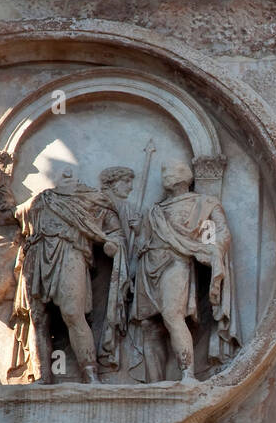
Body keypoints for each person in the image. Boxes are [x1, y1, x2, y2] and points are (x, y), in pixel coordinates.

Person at [14, 166, 124, 383]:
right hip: (37, 256)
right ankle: (44, 376)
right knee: (38, 317)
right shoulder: (39, 201)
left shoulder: (93, 201)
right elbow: (11, 214)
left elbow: (115, 231)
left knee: (73, 313)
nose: (66, 175)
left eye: (70, 173)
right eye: (62, 173)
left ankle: (91, 375)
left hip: (71, 253)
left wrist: (114, 243)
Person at [135, 159, 238, 382]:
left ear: (184, 177)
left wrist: (211, 250)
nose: (165, 175)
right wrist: (139, 235)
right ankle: (155, 383)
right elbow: (142, 240)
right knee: (149, 325)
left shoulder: (204, 203)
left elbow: (222, 233)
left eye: (170, 171)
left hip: (176, 261)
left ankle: (187, 375)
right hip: (149, 264)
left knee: (173, 315)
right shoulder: (155, 210)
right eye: (164, 172)